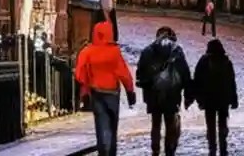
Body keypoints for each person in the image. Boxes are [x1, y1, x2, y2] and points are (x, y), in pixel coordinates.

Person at [74, 21, 136, 156]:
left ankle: (104, 152)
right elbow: (124, 74)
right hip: (113, 92)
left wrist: (84, 92)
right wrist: (130, 92)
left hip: (96, 92)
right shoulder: (114, 52)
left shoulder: (87, 52)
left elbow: (80, 74)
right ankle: (111, 152)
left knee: (102, 125)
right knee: (112, 126)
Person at [136, 26, 193, 156]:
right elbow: (185, 73)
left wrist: (146, 86)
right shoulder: (177, 51)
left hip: (153, 94)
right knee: (170, 122)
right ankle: (169, 150)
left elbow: (140, 74)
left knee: (156, 123)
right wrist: (189, 95)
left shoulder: (148, 51)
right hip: (172, 94)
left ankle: (155, 150)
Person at [192, 38, 239, 156]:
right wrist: (234, 99)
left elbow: (197, 80)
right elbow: (231, 81)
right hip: (223, 98)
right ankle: (223, 147)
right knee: (223, 122)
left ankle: (212, 148)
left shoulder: (204, 61)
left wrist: (198, 98)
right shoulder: (226, 61)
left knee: (210, 124)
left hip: (209, 99)